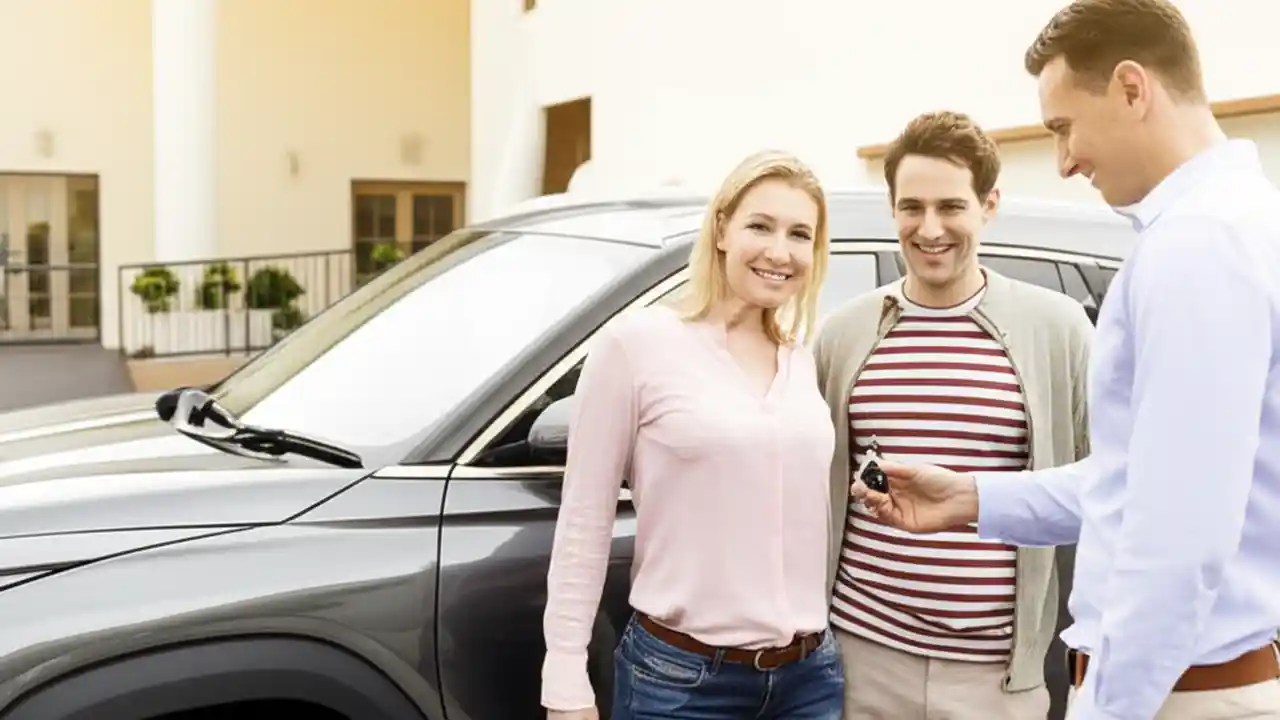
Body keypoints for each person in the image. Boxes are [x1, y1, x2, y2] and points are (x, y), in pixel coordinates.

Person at [855, 2, 1280, 719]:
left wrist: (1107, 708)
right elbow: (1142, 484)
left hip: (1171, 697)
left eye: (1063, 126)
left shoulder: (1198, 245)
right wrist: (973, 498)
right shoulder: (1226, 224)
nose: (1063, 161)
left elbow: (1178, 538)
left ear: (1132, 88)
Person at [541, 149, 846, 719]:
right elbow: (584, 520)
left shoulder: (803, 362)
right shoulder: (636, 345)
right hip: (680, 684)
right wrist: (564, 681)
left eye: (800, 234)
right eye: (761, 226)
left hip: (809, 681)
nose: (780, 251)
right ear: (722, 228)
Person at [811, 110, 1093, 719]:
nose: (930, 228)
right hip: (861, 659)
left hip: (996, 679)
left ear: (989, 205)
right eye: (912, 207)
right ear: (891, 209)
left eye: (951, 207)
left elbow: (1110, 487)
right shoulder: (843, 334)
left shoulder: (1059, 329)